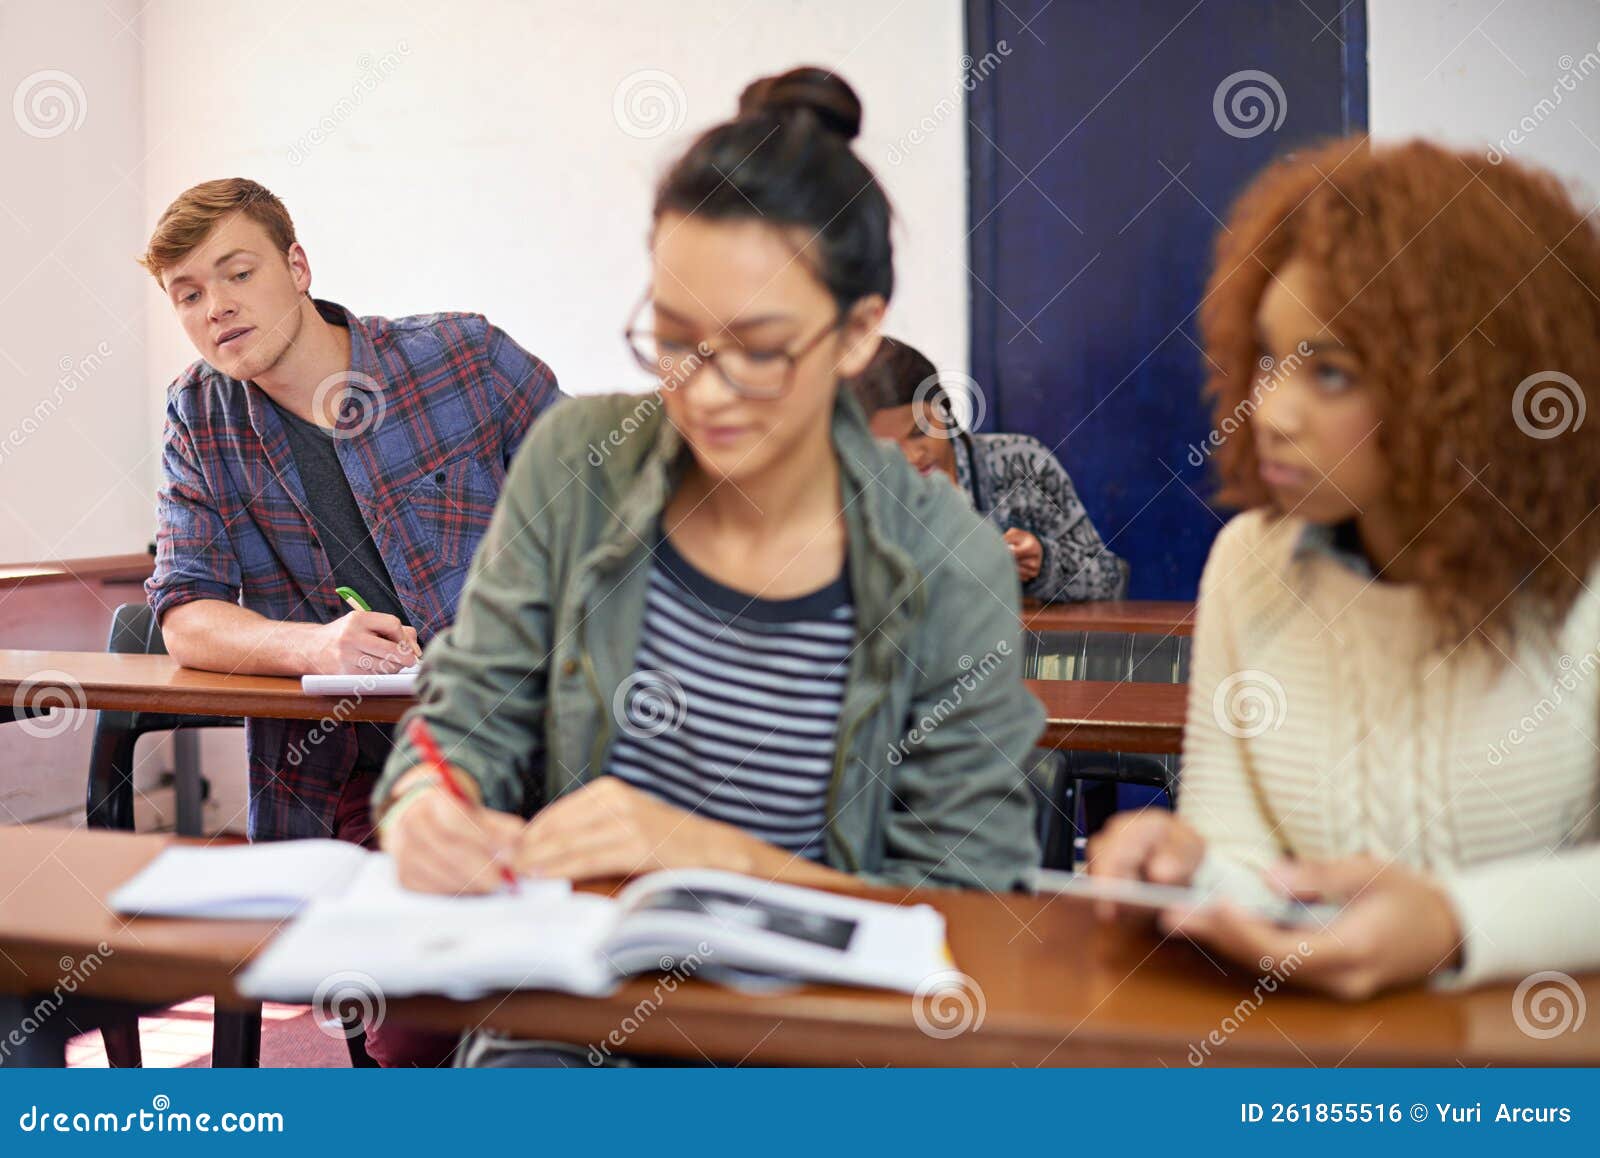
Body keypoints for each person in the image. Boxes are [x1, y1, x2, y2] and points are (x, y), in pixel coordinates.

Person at [376, 68, 1043, 1063]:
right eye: (675, 340)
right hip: (574, 1032)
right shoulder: (579, 466)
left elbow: (972, 915)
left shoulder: (947, 564)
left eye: (760, 348)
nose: (707, 391)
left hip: (828, 1054)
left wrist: (711, 862)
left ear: (859, 332)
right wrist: (429, 802)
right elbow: (468, 712)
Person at [1088, 137, 1600, 998]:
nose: (1270, 411)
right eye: (1266, 357)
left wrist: (1454, 924)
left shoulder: (1583, 581)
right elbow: (1246, 848)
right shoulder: (1250, 563)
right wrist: (1191, 869)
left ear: (1464, 381)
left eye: (1330, 372)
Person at [141, 178, 562, 1064]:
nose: (215, 307)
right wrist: (316, 645)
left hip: (538, 756)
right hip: (354, 781)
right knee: (415, 1033)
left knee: (573, 1010)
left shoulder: (464, 360)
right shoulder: (201, 418)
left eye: (237, 273)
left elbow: (610, 525)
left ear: (296, 266)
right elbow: (185, 614)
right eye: (187, 294)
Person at [848, 336, 1128, 602]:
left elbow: (1111, 579)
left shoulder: (1019, 465)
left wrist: (1044, 563)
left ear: (945, 409)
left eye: (921, 430)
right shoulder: (854, 489)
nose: (911, 456)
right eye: (887, 448)